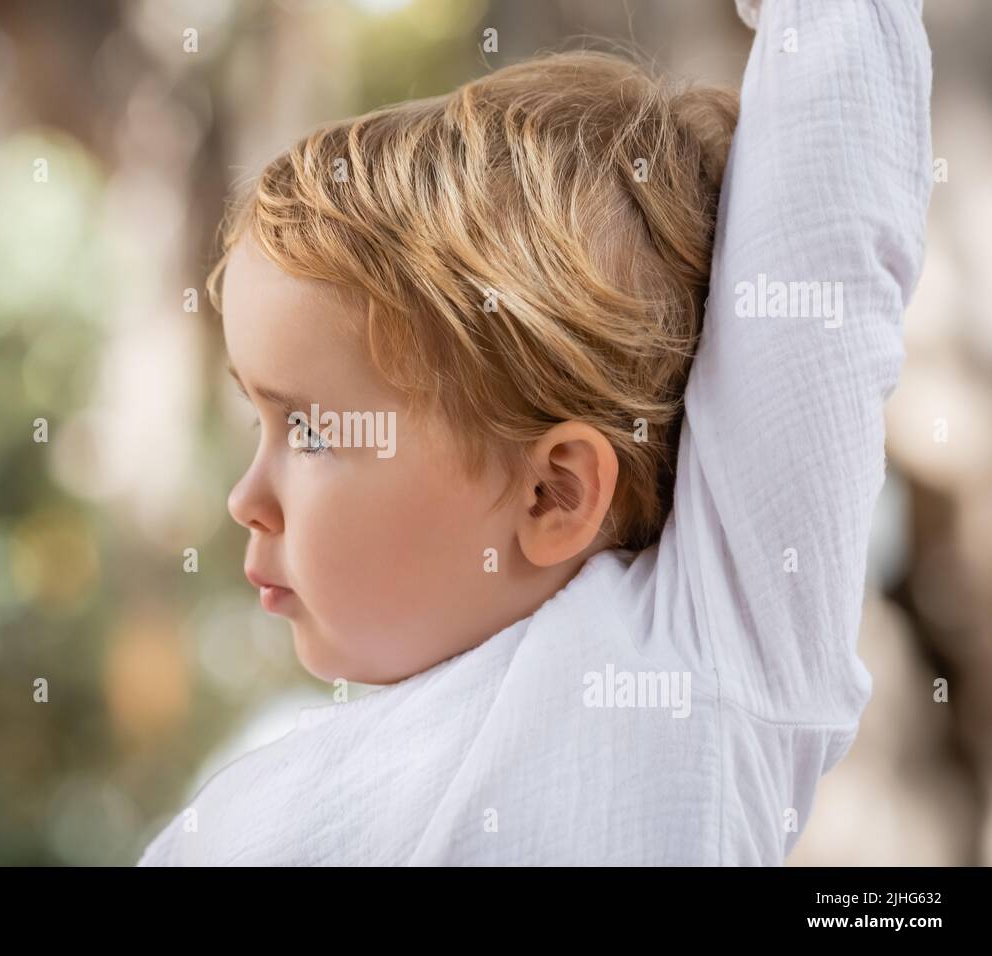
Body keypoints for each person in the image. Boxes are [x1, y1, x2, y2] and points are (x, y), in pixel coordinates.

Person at [139, 0, 933, 865]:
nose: (246, 500)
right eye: (261, 422)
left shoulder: (695, 667)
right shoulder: (241, 805)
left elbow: (827, 235)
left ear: (554, 492)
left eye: (312, 432)